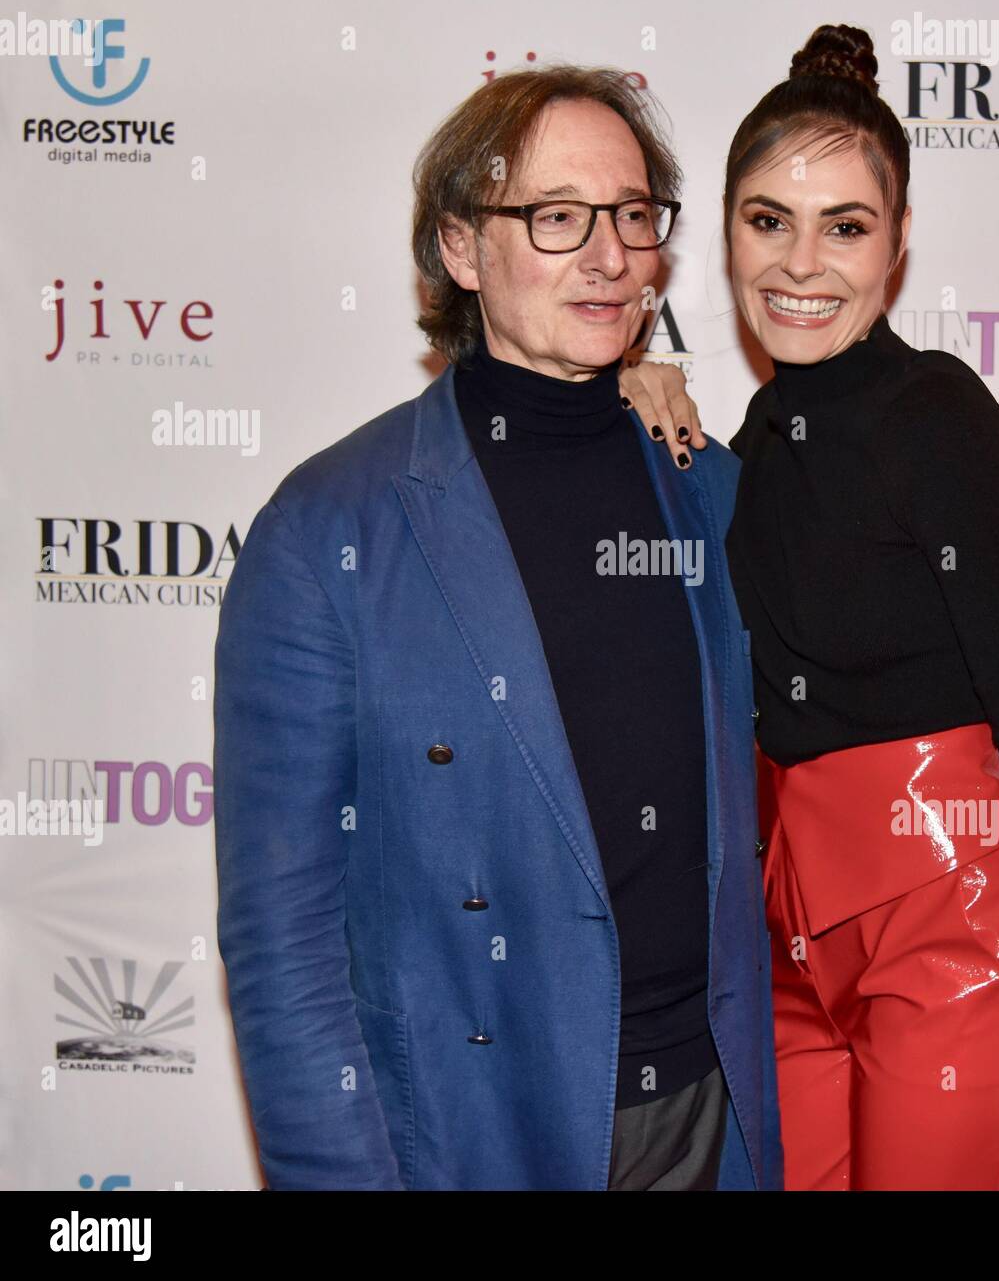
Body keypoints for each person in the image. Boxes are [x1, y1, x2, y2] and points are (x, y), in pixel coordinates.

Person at [213, 63, 783, 1191]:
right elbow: (283, 941)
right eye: (557, 217)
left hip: (715, 1119)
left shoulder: (704, 487)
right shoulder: (330, 529)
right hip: (473, 1137)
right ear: (462, 250)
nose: (609, 254)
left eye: (631, 215)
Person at [619, 23, 999, 1191]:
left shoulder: (943, 425)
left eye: (845, 226)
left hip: (942, 934)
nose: (801, 263)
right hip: (782, 942)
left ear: (894, 246)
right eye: (766, 221)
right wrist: (623, 378)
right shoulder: (746, 448)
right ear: (726, 236)